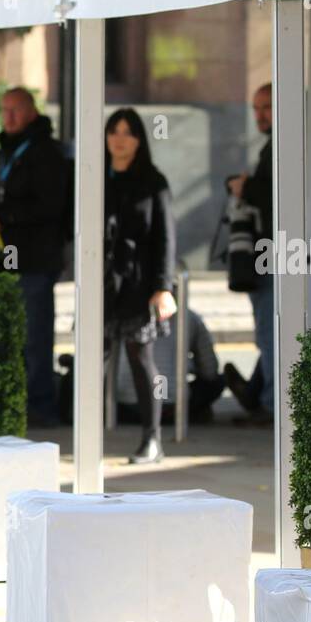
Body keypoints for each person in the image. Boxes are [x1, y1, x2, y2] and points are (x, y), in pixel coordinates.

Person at [0, 87, 68, 427]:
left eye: (16, 110)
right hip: (10, 256)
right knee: (15, 335)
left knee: (36, 336)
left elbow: (50, 205)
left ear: (31, 112)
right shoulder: (8, 151)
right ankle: (19, 401)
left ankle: (41, 405)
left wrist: (5, 215)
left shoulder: (44, 152)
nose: (8, 117)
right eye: (4, 110)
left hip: (36, 258)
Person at [103, 108, 177, 464]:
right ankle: (86, 436)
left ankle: (152, 439)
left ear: (139, 139)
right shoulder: (94, 175)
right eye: (113, 130)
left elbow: (166, 238)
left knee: (139, 356)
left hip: (138, 284)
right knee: (92, 357)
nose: (119, 138)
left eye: (127, 132)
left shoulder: (153, 181)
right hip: (102, 282)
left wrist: (163, 286)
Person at [223, 83, 274, 426]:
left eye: (266, 107)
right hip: (279, 251)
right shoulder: (276, 144)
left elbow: (276, 198)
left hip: (276, 252)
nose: (260, 114)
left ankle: (270, 404)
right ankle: (258, 393)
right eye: (256, 108)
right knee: (271, 329)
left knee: (271, 330)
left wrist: (246, 188)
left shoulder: (282, 145)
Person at [115, 306, 225, 425]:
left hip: (124, 405)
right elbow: (210, 371)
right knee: (218, 381)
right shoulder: (190, 317)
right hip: (170, 403)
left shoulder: (121, 316)